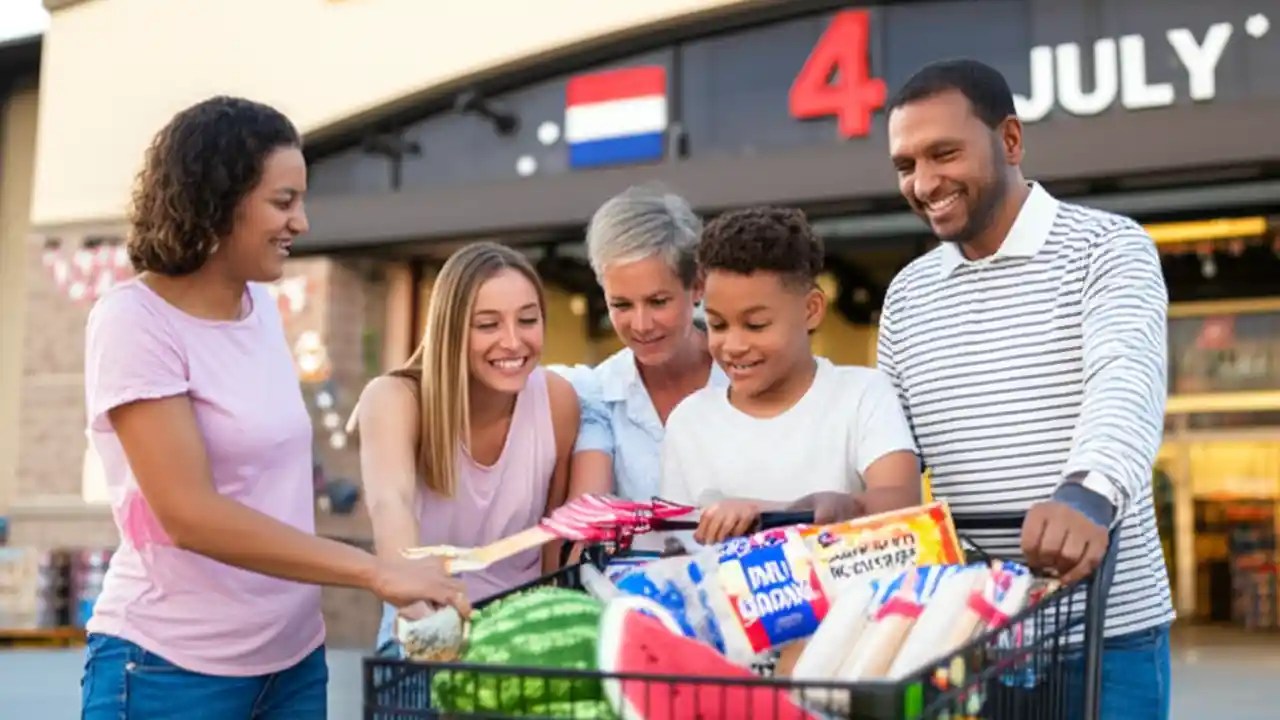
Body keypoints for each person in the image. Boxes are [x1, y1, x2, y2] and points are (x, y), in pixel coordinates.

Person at [80, 96, 464, 720]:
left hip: (291, 663)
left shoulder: (258, 309)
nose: (302, 222)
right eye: (283, 202)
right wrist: (374, 571)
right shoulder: (134, 322)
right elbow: (191, 515)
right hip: (170, 670)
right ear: (218, 200)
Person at [878, 59, 1172, 718]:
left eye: (944, 153)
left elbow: (1124, 377)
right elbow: (892, 449)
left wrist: (1088, 491)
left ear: (1009, 141)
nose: (924, 183)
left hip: (1108, 633)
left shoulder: (1107, 248)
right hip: (973, 638)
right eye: (905, 165)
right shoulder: (907, 296)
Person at [355, 241, 580, 658]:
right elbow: (391, 506)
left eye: (527, 320)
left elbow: (553, 537)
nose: (513, 342)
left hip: (522, 635)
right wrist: (423, 616)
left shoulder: (557, 400)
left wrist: (557, 628)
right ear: (452, 328)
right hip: (427, 624)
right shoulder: (395, 398)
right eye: (488, 324)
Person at [659, 206, 923, 546]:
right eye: (717, 325)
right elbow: (674, 546)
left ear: (811, 310)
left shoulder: (862, 394)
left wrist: (826, 509)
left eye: (756, 325)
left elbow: (903, 504)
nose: (734, 345)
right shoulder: (689, 422)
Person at [551, 184, 728, 504]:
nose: (641, 325)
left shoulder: (744, 378)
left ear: (698, 286)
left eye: (658, 302)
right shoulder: (597, 396)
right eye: (621, 305)